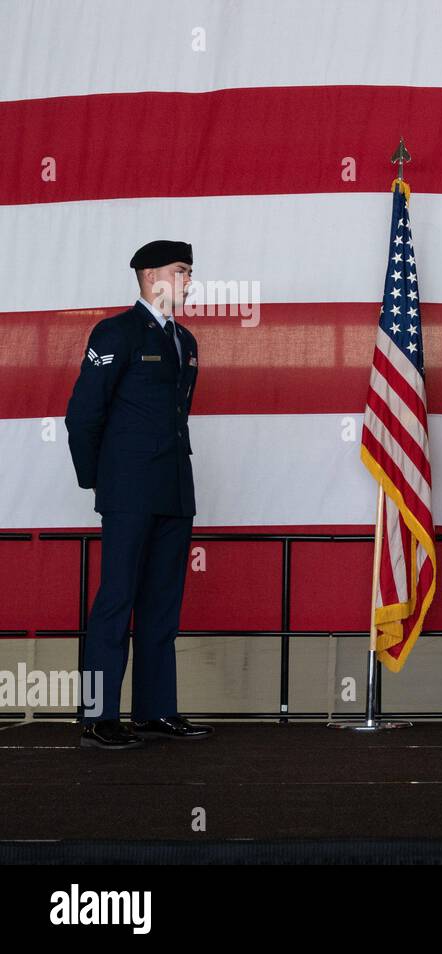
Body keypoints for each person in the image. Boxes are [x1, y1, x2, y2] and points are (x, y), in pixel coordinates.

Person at [65, 240, 213, 749]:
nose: (189, 281)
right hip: (128, 490)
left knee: (162, 604)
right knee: (116, 600)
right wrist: (98, 479)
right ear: (153, 278)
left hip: (173, 489)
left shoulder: (186, 341)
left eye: (190, 271)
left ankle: (154, 711)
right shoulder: (116, 332)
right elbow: (83, 415)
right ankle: (97, 715)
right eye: (181, 271)